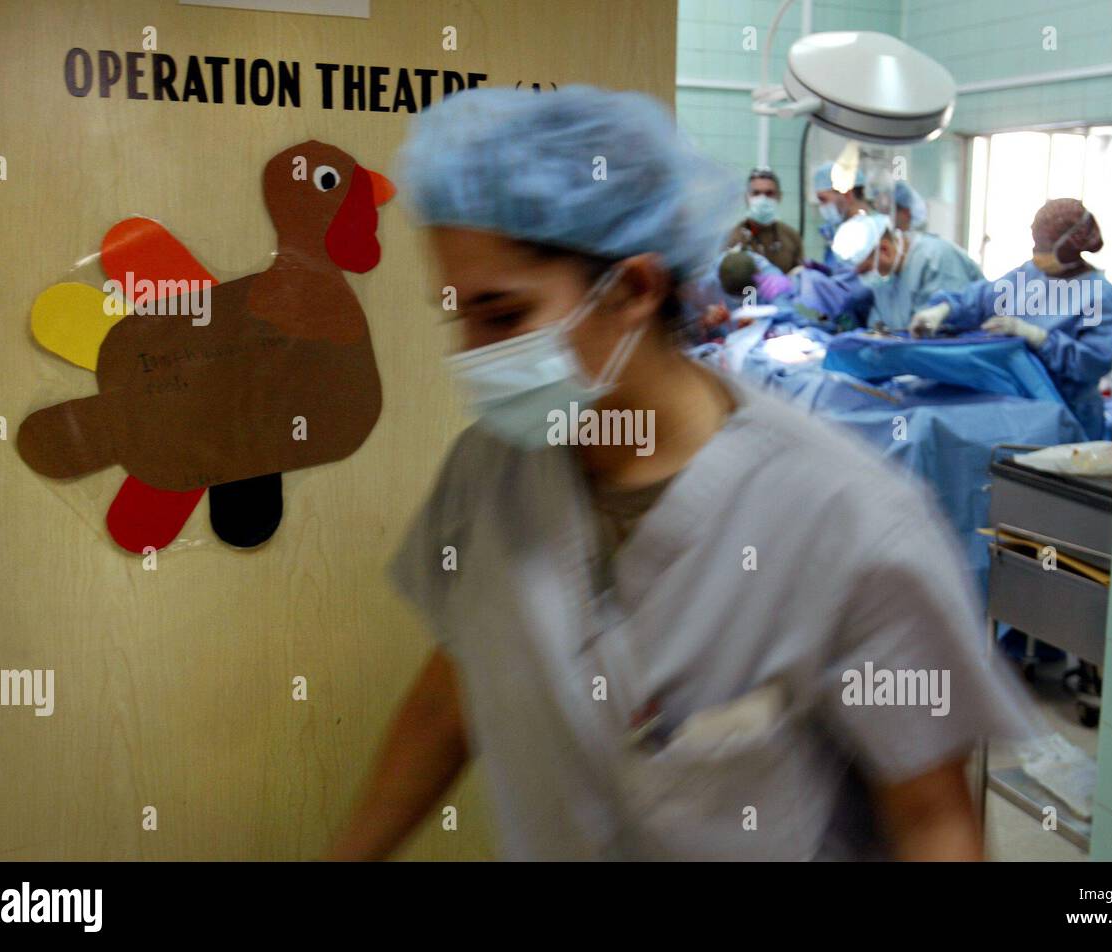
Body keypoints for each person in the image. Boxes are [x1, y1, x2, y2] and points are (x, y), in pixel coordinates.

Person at [327, 85, 1034, 862]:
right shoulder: (489, 475)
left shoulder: (848, 520)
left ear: (632, 289)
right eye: (456, 313)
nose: (469, 353)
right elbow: (453, 688)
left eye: (502, 317)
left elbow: (933, 820)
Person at [910, 198, 1112, 440]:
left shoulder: (1101, 295)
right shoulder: (1029, 275)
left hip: (1067, 411)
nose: (1038, 254)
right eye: (1036, 244)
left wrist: (1038, 337)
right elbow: (982, 299)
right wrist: (943, 310)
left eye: (1045, 246)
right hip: (1017, 405)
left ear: (1070, 245)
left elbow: (1092, 363)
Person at [834, 213, 983, 330]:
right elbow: (880, 326)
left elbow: (947, 331)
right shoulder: (886, 277)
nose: (863, 277)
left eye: (865, 269)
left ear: (884, 250)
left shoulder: (935, 258)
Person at [725, 168, 805, 273]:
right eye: (756, 193)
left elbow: (800, 275)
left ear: (779, 196)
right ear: (747, 197)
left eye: (769, 193)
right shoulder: (733, 237)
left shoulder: (791, 236)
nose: (763, 199)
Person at [814, 160, 872, 268]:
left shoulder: (869, 235)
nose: (821, 206)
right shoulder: (840, 232)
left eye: (823, 199)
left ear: (847, 195)